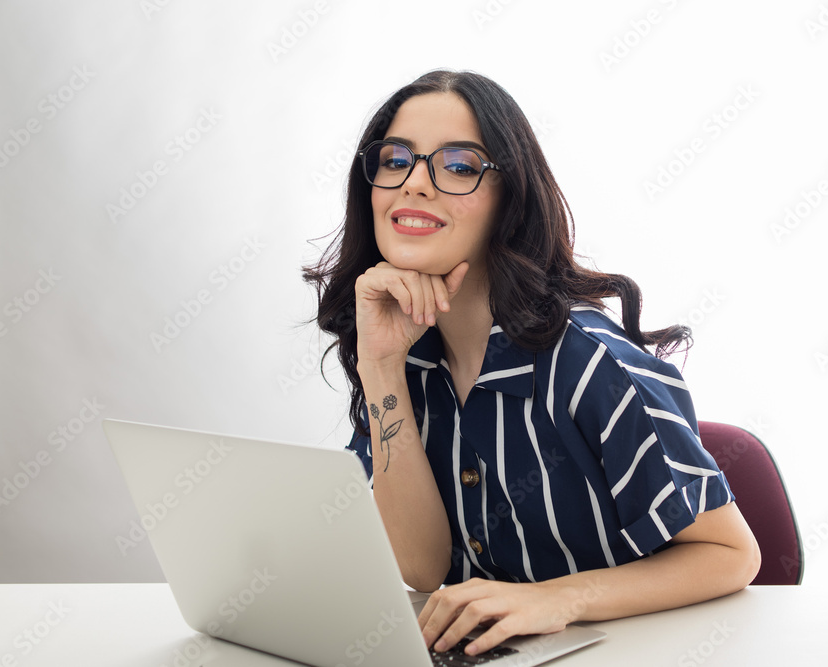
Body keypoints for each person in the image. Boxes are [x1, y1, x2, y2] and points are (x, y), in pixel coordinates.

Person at [303, 69, 760, 658]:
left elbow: (731, 554)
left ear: (509, 198)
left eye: (460, 166)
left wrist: (557, 598)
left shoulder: (590, 363)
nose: (414, 184)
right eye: (396, 160)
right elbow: (421, 565)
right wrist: (382, 370)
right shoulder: (404, 356)